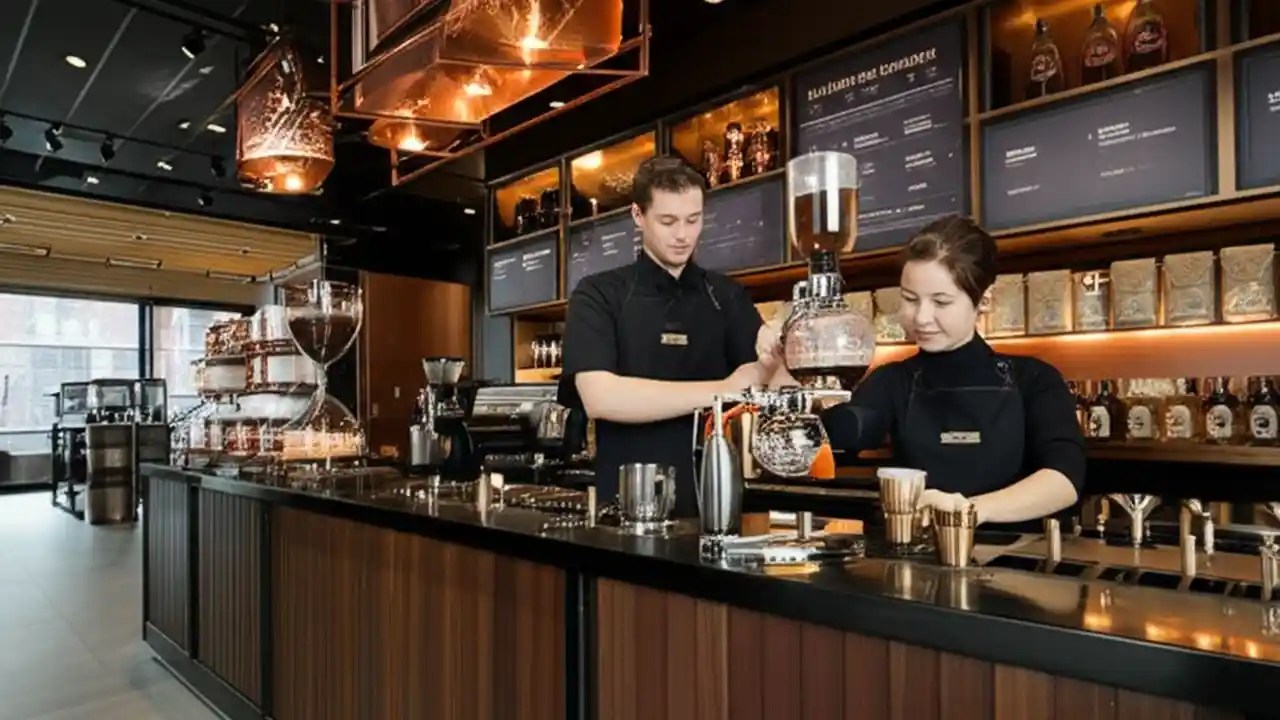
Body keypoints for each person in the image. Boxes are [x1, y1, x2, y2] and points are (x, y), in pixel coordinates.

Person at [769, 215, 1085, 525]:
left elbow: (1064, 480)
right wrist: (791, 372)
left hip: (1016, 564)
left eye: (941, 302)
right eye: (910, 299)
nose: (921, 317)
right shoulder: (895, 381)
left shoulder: (1034, 379)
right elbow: (847, 430)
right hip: (918, 563)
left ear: (984, 300)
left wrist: (969, 510)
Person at [557, 157, 780, 517]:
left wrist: (782, 354)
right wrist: (723, 390)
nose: (683, 235)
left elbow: (768, 378)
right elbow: (600, 396)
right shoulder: (599, 294)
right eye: (668, 221)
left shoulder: (726, 296)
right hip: (626, 506)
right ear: (637, 215)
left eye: (694, 220)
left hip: (715, 505)